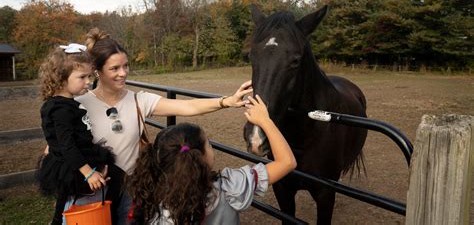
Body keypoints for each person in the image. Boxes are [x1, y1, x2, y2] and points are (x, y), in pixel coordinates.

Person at [68, 28, 253, 224]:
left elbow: (187, 106)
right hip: (94, 192)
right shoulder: (79, 105)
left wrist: (226, 101)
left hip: (130, 193)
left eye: (126, 66)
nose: (123, 73)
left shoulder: (139, 100)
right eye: (114, 68)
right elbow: (61, 146)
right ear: (97, 70)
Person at [128, 95, 297, 224]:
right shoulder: (229, 186)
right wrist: (265, 121)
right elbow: (287, 162)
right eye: (208, 144)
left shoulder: (152, 193)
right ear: (201, 157)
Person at [36, 44, 123, 225]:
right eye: (82, 77)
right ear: (61, 79)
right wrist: (88, 173)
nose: (88, 81)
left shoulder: (67, 103)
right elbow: (67, 145)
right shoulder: (60, 109)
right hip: (74, 164)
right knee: (71, 200)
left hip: (81, 156)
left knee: (115, 176)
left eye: (90, 76)